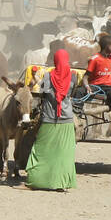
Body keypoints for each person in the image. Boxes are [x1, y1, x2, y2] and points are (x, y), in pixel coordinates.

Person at [22, 48, 78, 191]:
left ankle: (36, 181)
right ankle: (61, 183)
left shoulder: (48, 76)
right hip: (66, 120)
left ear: (55, 61)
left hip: (49, 119)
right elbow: (71, 93)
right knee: (64, 153)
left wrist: (35, 80)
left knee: (41, 150)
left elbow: (42, 93)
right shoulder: (73, 77)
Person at [85, 34, 111, 139]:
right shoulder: (95, 59)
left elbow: (108, 70)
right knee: (78, 92)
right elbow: (85, 77)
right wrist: (87, 87)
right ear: (107, 46)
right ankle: (76, 118)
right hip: (95, 86)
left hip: (107, 86)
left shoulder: (110, 58)